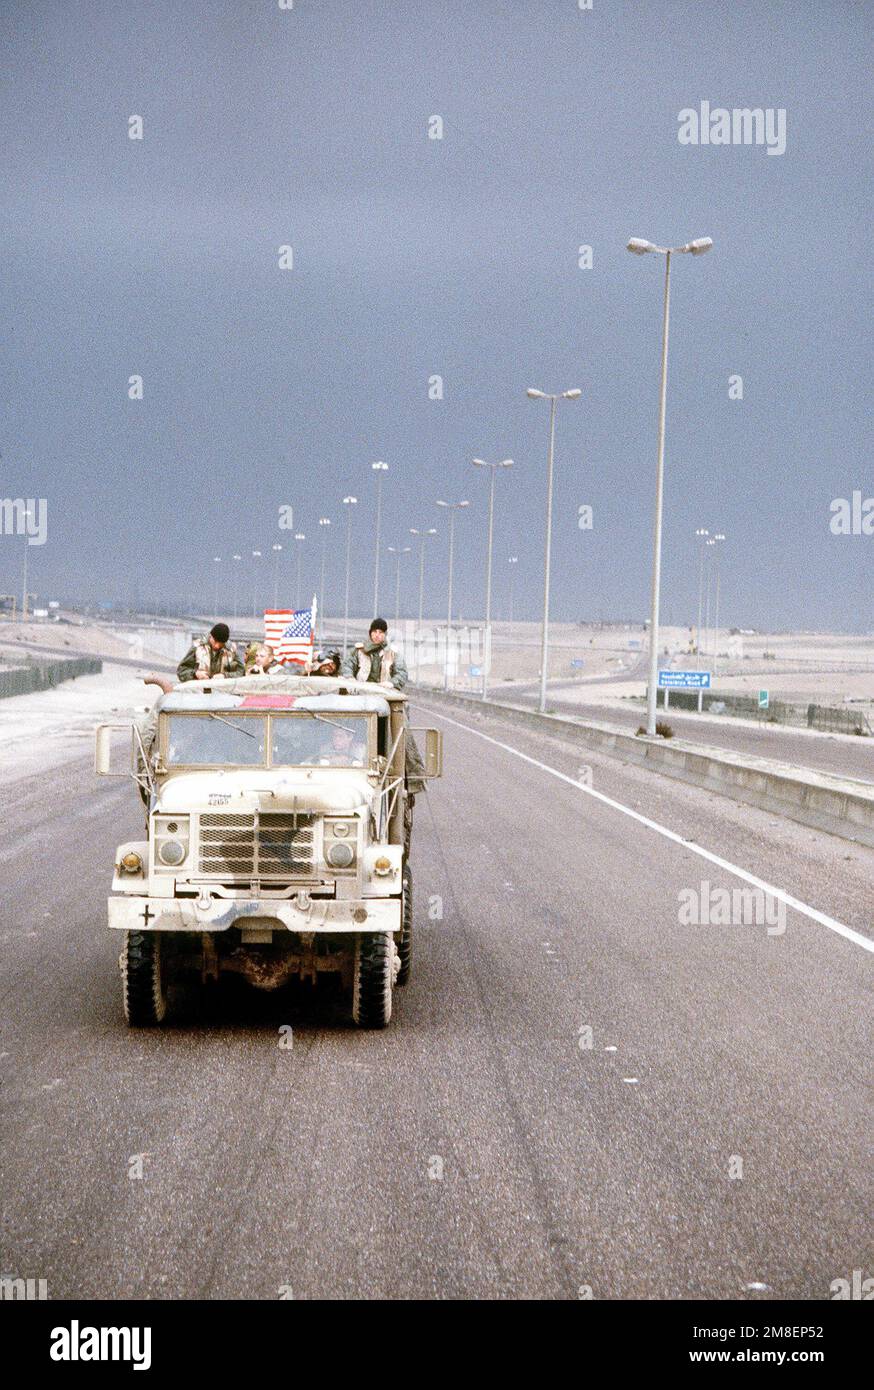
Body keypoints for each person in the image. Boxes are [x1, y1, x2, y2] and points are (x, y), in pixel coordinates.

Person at [341, 618, 408, 688]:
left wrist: (392, 683)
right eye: (374, 631)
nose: (377, 635)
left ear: (385, 634)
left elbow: (402, 673)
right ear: (370, 633)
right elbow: (347, 665)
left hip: (385, 692)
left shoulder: (393, 653)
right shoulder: (359, 650)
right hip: (361, 691)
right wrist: (349, 678)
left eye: (380, 632)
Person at [177, 623, 244, 683]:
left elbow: (241, 672)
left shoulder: (231, 650)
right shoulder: (197, 647)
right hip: (199, 693)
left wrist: (225, 676)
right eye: (215, 641)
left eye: (221, 644)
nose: (217, 646)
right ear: (211, 636)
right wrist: (195, 674)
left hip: (223, 693)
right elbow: (181, 671)